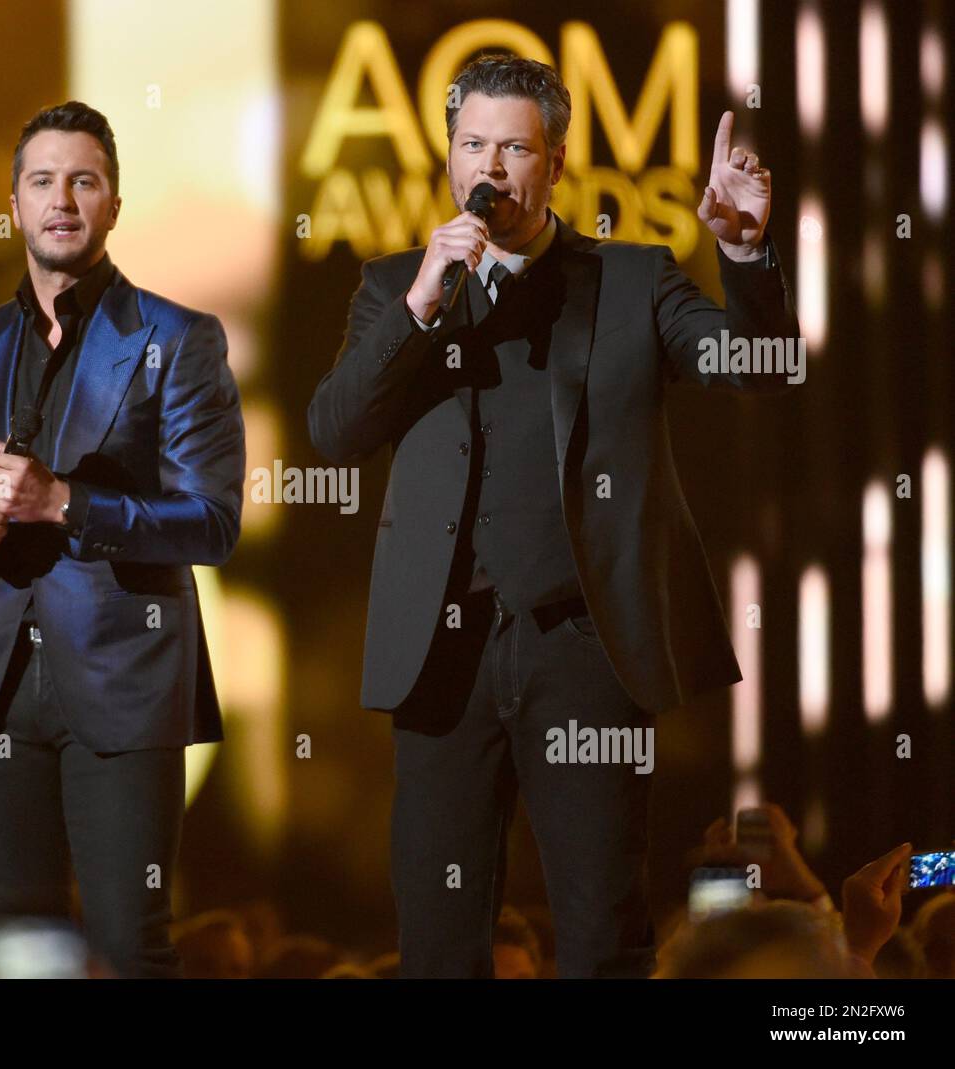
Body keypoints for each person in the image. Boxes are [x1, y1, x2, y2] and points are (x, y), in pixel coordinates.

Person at [308, 54, 800, 977]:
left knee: (598, 924)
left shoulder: (633, 280)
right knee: (439, 932)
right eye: (471, 145)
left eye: (514, 148)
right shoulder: (394, 287)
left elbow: (761, 370)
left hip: (584, 644)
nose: (489, 168)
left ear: (558, 163)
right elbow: (334, 433)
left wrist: (742, 253)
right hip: (439, 652)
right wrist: (419, 306)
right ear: (449, 158)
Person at [0, 101, 245, 978]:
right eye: (42, 181)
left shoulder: (179, 338)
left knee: (129, 946)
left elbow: (212, 521)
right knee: (22, 954)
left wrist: (66, 501)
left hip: (122, 683)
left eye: (83, 180)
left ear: (113, 203)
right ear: (14, 204)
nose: (62, 198)